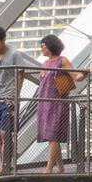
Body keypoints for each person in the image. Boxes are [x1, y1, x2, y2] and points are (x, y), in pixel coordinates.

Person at [0, 26, 34, 170]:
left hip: (9, 100)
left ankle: (5, 166)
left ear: (3, 40)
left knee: (4, 132)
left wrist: (16, 96)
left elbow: (20, 75)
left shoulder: (14, 54)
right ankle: (3, 164)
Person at [35, 34, 81, 174]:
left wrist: (84, 73)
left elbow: (76, 76)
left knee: (54, 135)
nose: (42, 49)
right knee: (50, 137)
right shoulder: (45, 63)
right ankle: (61, 168)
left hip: (58, 102)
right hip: (44, 102)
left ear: (50, 46)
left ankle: (49, 168)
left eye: (43, 46)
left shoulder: (62, 60)